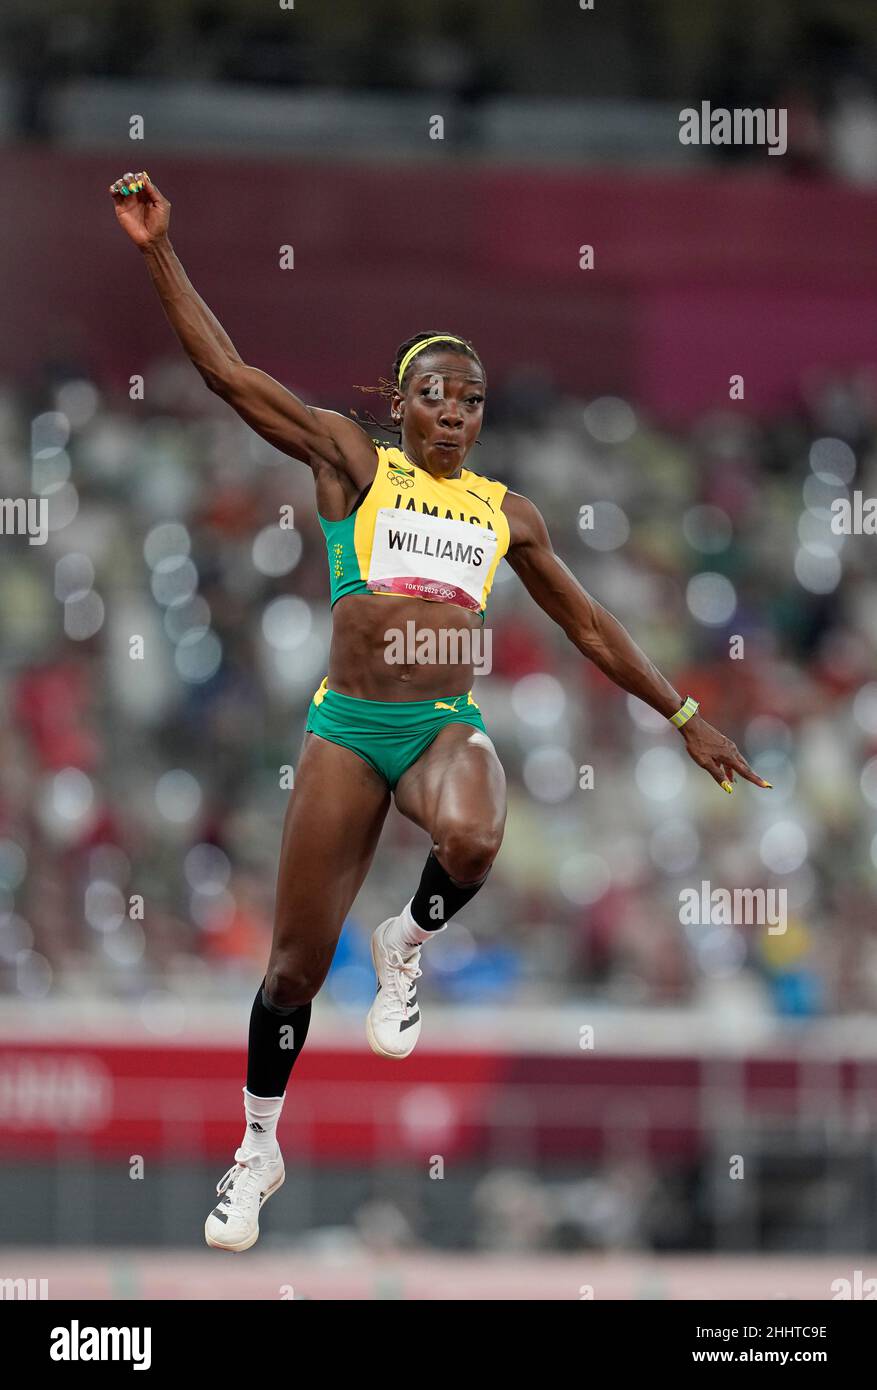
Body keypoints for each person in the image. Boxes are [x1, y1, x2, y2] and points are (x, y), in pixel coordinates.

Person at [109, 170, 770, 1252]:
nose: (455, 414)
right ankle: (256, 1147)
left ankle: (408, 941)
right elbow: (226, 373)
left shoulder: (505, 514)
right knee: (291, 974)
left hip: (436, 728)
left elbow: (592, 626)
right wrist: (157, 251)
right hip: (346, 731)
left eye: (471, 401)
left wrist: (684, 710)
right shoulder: (351, 460)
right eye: (436, 395)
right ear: (399, 402)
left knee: (474, 831)